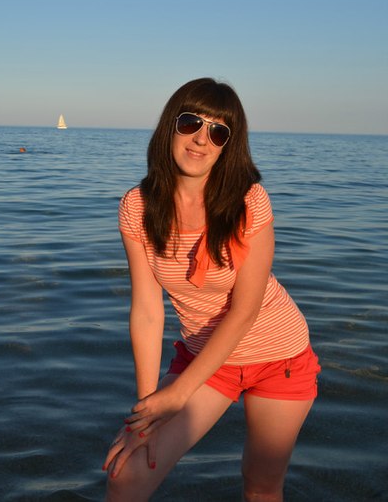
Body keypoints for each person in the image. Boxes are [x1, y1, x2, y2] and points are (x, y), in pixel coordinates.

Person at [103, 78, 321, 502]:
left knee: (260, 487)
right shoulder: (137, 207)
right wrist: (148, 407)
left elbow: (245, 311)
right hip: (205, 356)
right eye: (191, 122)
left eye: (218, 131)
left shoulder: (249, 201)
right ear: (170, 125)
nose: (202, 138)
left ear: (227, 146)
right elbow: (147, 310)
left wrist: (179, 394)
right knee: (125, 476)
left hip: (278, 356)